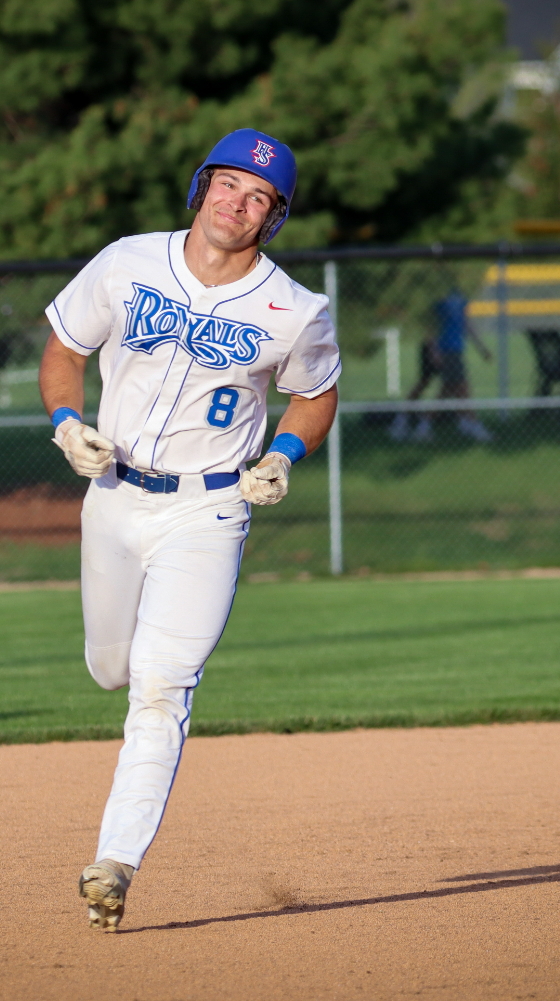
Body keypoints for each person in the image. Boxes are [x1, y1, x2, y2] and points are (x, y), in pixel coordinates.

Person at [37, 128, 341, 932]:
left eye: (259, 197)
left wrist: (282, 453)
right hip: (112, 492)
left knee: (162, 685)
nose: (238, 204)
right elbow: (63, 349)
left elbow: (317, 395)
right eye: (229, 184)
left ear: (273, 217)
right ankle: (120, 675)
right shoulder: (128, 259)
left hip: (208, 509)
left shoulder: (294, 309)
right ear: (202, 184)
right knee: (112, 668)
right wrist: (68, 423)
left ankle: (115, 861)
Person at [389, 288, 494, 442]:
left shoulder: (461, 292)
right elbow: (429, 322)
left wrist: (481, 347)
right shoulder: (436, 290)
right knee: (455, 388)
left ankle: (428, 425)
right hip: (443, 348)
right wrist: (433, 348)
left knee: (450, 389)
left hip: (454, 349)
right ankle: (471, 424)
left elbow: (465, 321)